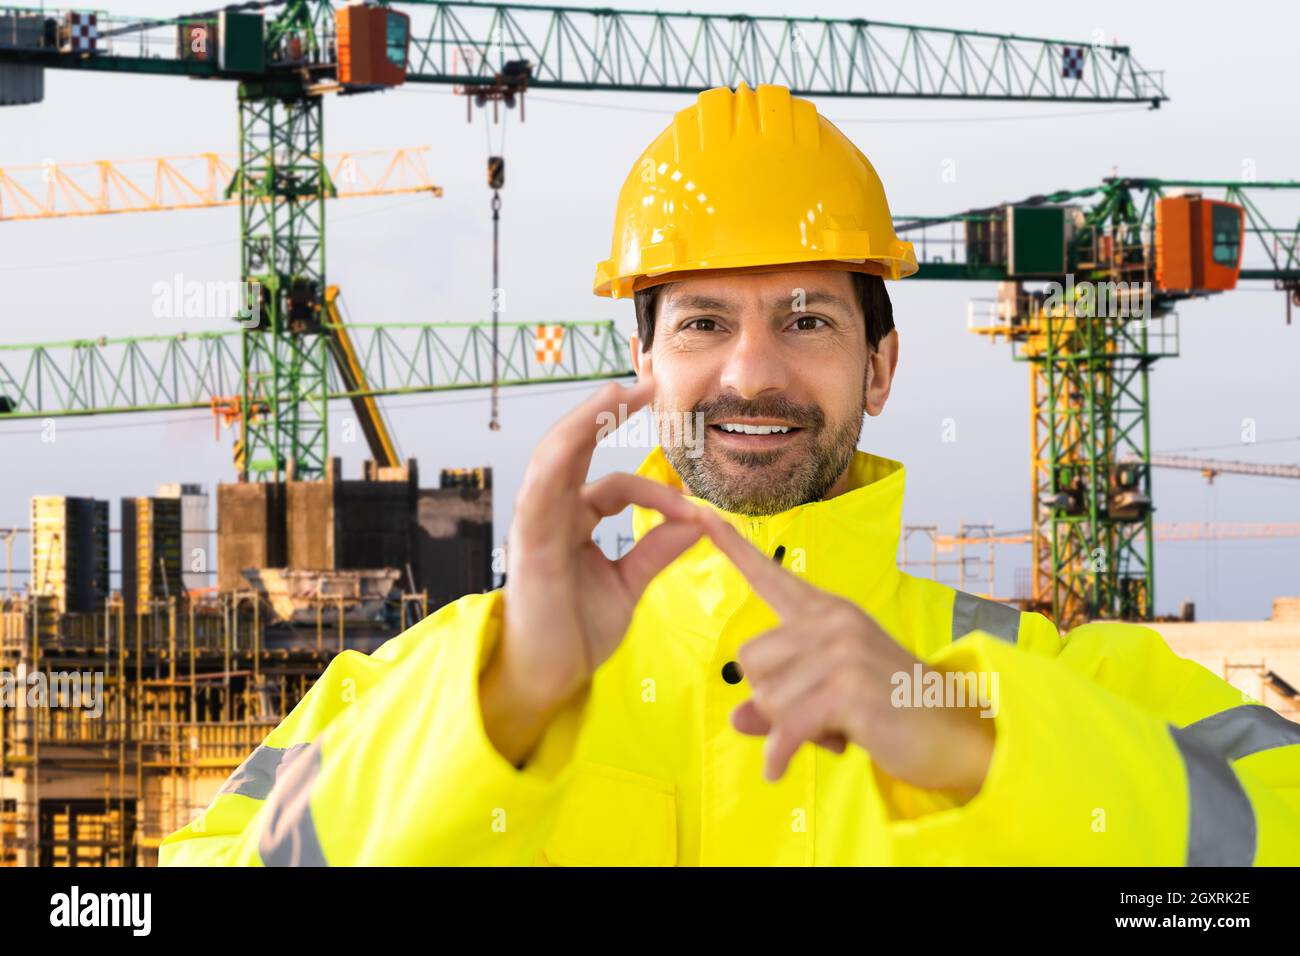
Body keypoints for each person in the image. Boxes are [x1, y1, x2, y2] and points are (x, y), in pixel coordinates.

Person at [160, 82, 1300, 866]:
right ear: (645, 363)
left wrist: (968, 735)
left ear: (881, 365)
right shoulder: (444, 680)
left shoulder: (1029, 676)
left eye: (806, 319)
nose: (752, 371)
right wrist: (499, 718)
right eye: (705, 321)